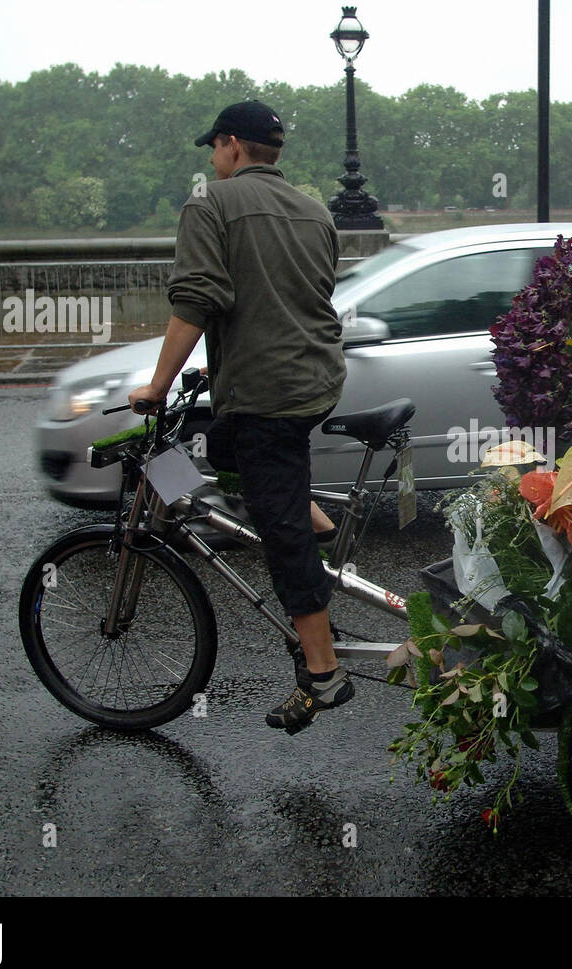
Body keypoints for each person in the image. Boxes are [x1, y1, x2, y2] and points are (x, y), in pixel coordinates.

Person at [128, 99, 351, 735]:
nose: (213, 159)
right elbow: (302, 294)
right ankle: (307, 508)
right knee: (223, 446)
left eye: (214, 149)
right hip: (317, 379)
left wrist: (158, 385)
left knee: (279, 533)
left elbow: (196, 299)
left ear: (230, 145)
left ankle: (323, 670)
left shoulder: (210, 206)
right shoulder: (314, 210)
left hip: (268, 390)